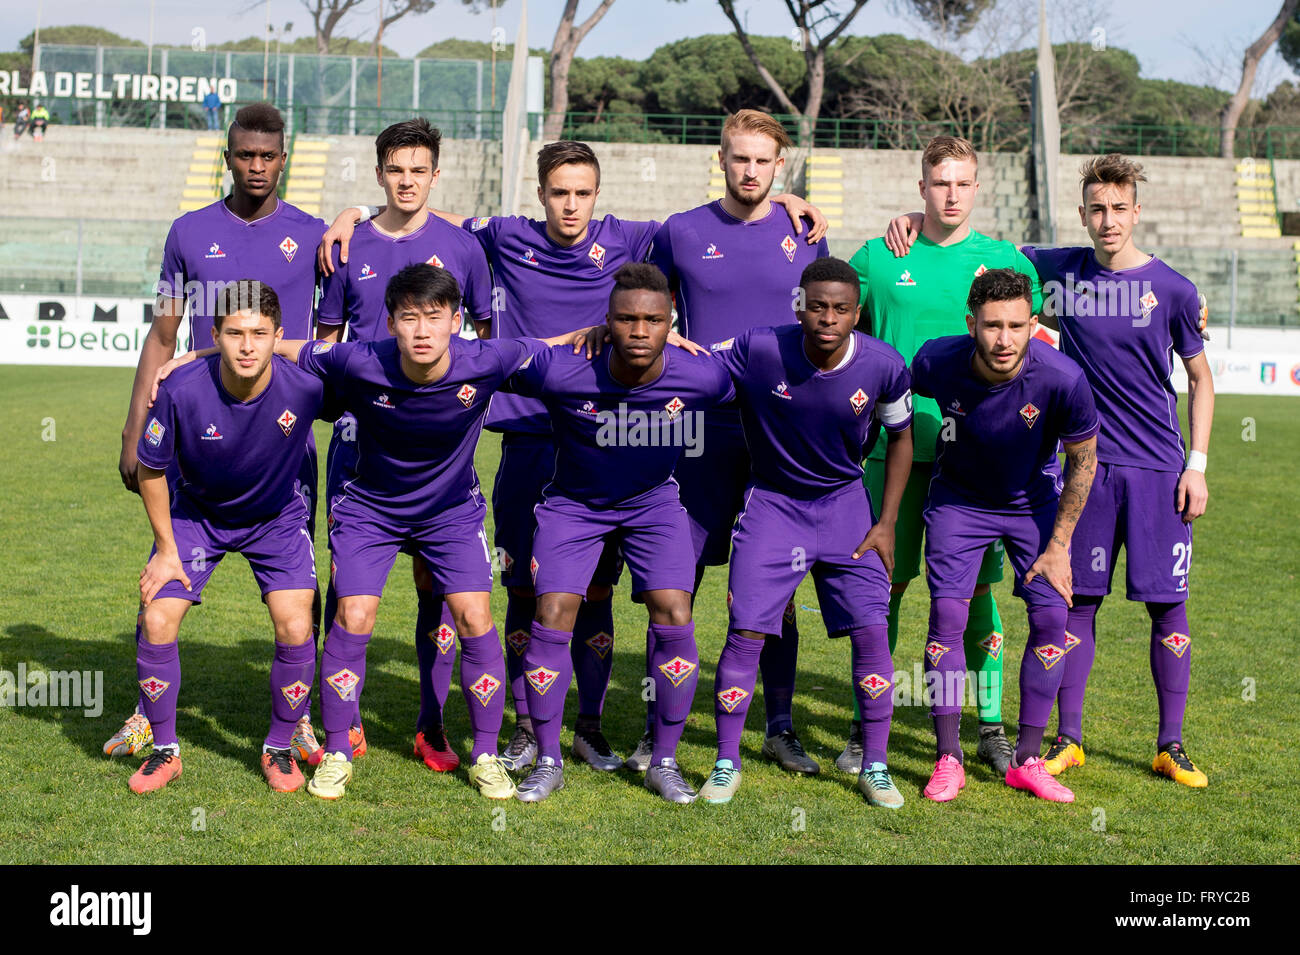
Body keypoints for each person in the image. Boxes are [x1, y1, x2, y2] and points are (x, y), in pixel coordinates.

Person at [317, 139, 826, 773]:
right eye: (559, 192)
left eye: (583, 192)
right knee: (528, 588)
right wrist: (355, 214)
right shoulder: (502, 236)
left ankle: (587, 724)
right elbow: (421, 211)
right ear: (541, 194)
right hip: (531, 432)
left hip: (606, 431)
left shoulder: (633, 237)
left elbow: (721, 213)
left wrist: (779, 198)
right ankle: (532, 731)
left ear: (598, 195)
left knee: (599, 589)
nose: (571, 205)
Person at [883, 154, 1216, 788]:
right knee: (1073, 605)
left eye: (1119, 208)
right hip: (1078, 472)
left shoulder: (1173, 289)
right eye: (1096, 208)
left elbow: (1200, 379)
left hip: (1152, 466)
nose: (1108, 220)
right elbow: (975, 245)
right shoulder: (1058, 269)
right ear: (1083, 213)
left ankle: (1170, 743)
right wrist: (916, 218)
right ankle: (1063, 741)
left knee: (1166, 607)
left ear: (1136, 212)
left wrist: (1196, 464)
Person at [227, 264, 597, 800]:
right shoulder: (360, 359)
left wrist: (614, 331)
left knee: (474, 615)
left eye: (434, 317)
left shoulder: (486, 359)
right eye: (408, 318)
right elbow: (280, 347)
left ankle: (486, 754)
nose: (422, 331)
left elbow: (552, 345)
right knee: (354, 614)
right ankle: (336, 749)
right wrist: (197, 356)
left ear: (456, 320)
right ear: (391, 322)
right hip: (369, 509)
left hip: (450, 511)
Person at [106, 103, 329, 764]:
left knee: (298, 592)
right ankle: (151, 716)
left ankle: (301, 718)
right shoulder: (187, 232)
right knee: (163, 577)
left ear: (283, 158)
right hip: (197, 439)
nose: (256, 166)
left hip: (283, 442)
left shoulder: (316, 234)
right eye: (244, 155)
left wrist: (347, 219)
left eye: (268, 155)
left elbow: (332, 337)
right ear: (227, 158)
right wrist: (132, 427)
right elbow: (165, 333)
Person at [839, 135, 1043, 777]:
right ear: (921, 187)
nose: (950, 194)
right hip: (891, 451)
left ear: (977, 188)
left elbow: (1033, 346)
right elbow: (831, 319)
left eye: (962, 182)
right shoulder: (878, 255)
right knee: (884, 589)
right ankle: (865, 723)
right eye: (939, 182)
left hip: (976, 464)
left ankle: (988, 727)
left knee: (976, 598)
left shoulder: (1005, 261)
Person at [506, 263, 733, 804]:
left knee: (675, 611)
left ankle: (665, 760)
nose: (638, 331)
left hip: (653, 503)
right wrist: (565, 336)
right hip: (573, 505)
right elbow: (494, 358)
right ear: (605, 323)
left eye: (652, 320)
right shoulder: (563, 370)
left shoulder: (702, 375)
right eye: (625, 319)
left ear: (670, 323)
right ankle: (549, 758)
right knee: (552, 611)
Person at [647, 108, 829, 776]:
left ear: (780, 165)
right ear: (720, 160)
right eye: (738, 158)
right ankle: (658, 723)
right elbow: (644, 306)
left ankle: (778, 726)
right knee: (678, 580)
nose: (750, 170)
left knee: (772, 587)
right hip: (700, 428)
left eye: (762, 160)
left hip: (781, 433)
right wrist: (668, 339)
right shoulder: (682, 231)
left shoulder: (804, 229)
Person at [698, 258, 914, 808]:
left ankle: (877, 765)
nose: (828, 318)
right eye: (817, 306)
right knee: (746, 631)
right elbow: (698, 364)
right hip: (773, 505)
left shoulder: (885, 366)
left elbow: (902, 439)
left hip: (846, 509)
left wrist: (886, 522)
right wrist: (665, 337)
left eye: (841, 309)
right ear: (800, 306)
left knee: (871, 630)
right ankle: (726, 762)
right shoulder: (760, 348)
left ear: (856, 313)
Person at [316, 118, 494, 775]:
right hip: (360, 443)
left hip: (439, 447)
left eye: (419, 170)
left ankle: (431, 723)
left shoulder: (464, 247)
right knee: (350, 585)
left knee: (440, 589)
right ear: (380, 174)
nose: (408, 180)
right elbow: (326, 341)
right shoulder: (348, 244)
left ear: (435, 175)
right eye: (396, 170)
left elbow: (484, 341)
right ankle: (344, 720)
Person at [127, 281, 328, 794]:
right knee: (157, 615)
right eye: (234, 333)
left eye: (260, 334)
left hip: (276, 518)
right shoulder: (180, 388)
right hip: (198, 514)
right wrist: (167, 550)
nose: (246, 346)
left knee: (295, 621)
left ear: (278, 337)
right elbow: (151, 470)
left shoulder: (306, 386)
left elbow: (370, 368)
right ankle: (165, 750)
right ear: (214, 335)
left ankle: (280, 746)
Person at [909, 269, 1098, 804]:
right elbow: (886, 387)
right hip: (957, 503)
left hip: (1032, 504)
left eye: (1017, 325)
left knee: (1052, 616)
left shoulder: (1063, 378)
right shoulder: (936, 361)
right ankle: (949, 757)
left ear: (1033, 324)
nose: (1004, 339)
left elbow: (1084, 460)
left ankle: (1027, 759)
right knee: (947, 620)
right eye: (992, 326)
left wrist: (1059, 545)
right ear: (972, 323)